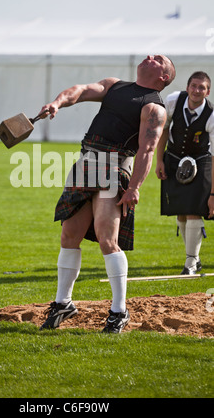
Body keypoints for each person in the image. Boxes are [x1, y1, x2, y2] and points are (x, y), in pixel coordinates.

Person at [38, 54, 176, 333]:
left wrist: (134, 188)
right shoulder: (115, 86)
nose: (149, 56)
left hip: (115, 168)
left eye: (158, 59)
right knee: (69, 235)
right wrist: (57, 103)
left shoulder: (154, 108)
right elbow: (81, 90)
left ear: (164, 76)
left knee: (107, 238)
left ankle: (119, 311)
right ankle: (63, 302)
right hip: (86, 162)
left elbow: (147, 151)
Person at [156, 71, 214, 275]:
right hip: (173, 158)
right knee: (180, 211)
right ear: (188, 87)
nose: (197, 90)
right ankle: (194, 257)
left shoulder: (212, 115)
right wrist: (159, 160)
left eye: (202, 87)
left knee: (193, 210)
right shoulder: (173, 100)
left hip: (201, 161)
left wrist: (213, 194)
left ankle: (190, 262)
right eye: (194, 86)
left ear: (208, 92)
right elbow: (164, 129)